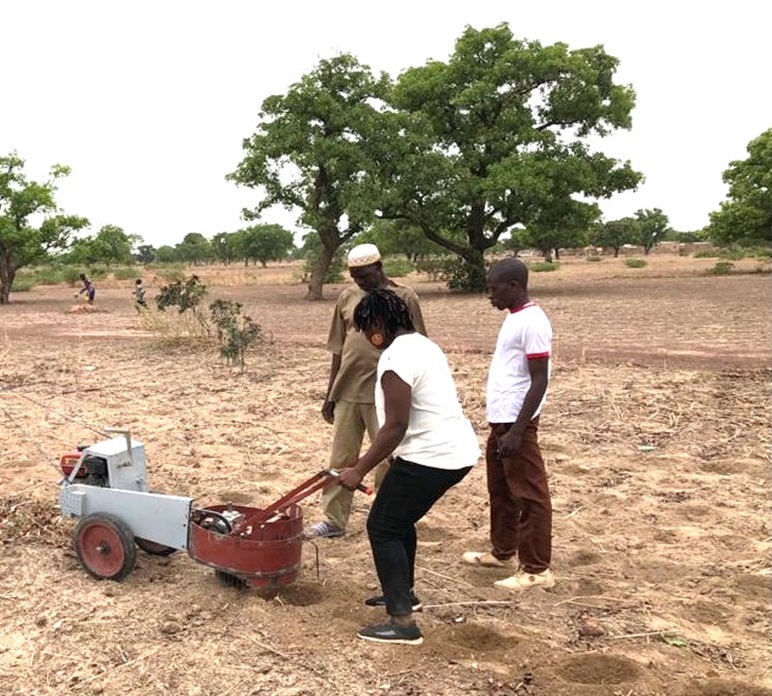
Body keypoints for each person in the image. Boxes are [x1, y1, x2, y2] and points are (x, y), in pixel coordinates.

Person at [337, 288, 480, 644]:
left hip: (432, 457)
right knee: (399, 521)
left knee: (382, 526)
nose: (367, 338)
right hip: (454, 451)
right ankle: (404, 593)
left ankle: (402, 623)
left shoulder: (395, 359)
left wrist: (358, 469)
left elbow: (395, 426)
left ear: (379, 324)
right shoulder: (423, 345)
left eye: (366, 327)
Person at [304, 243, 426, 540]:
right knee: (341, 460)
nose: (361, 283)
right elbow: (338, 348)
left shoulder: (404, 297)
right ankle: (334, 520)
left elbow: (418, 347)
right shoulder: (347, 297)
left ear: (380, 267)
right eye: (356, 277)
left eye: (366, 276)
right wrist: (330, 394)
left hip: (386, 395)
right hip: (348, 391)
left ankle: (386, 518)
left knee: (387, 460)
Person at [462, 257, 555, 591]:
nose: (489, 295)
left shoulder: (533, 322)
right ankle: (503, 552)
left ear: (514, 286)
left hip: (518, 425)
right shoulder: (514, 318)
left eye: (493, 288)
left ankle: (537, 569)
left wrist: (518, 429)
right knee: (501, 490)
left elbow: (539, 380)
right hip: (501, 422)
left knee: (530, 494)